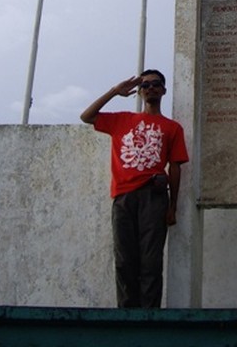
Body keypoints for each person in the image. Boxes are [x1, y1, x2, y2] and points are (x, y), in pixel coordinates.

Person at [80, 69, 189, 308]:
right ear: (139, 92)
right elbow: (86, 116)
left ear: (163, 90)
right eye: (145, 85)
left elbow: (176, 168)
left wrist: (173, 207)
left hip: (154, 197)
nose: (151, 88)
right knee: (124, 261)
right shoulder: (122, 120)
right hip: (123, 197)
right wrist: (114, 91)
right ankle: (126, 316)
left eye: (156, 84)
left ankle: (150, 318)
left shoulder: (172, 128)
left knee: (151, 262)